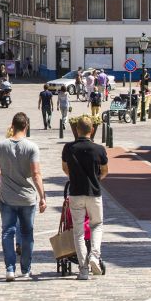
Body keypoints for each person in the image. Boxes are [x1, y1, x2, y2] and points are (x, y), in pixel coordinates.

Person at [0, 112, 47, 281]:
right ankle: (26, 269)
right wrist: (43, 197)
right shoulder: (32, 147)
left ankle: (9, 268)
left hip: (7, 196)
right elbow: (36, 174)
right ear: (26, 127)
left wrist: (4, 171)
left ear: (12, 125)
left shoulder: (1, 146)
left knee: (8, 232)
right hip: (27, 197)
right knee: (27, 233)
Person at [62, 115, 109, 280]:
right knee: (97, 224)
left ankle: (83, 269)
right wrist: (96, 179)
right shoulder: (99, 149)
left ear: (76, 130)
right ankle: (94, 256)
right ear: (93, 130)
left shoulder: (68, 148)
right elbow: (105, 171)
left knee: (78, 231)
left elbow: (65, 168)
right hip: (94, 193)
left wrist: (74, 177)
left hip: (75, 192)